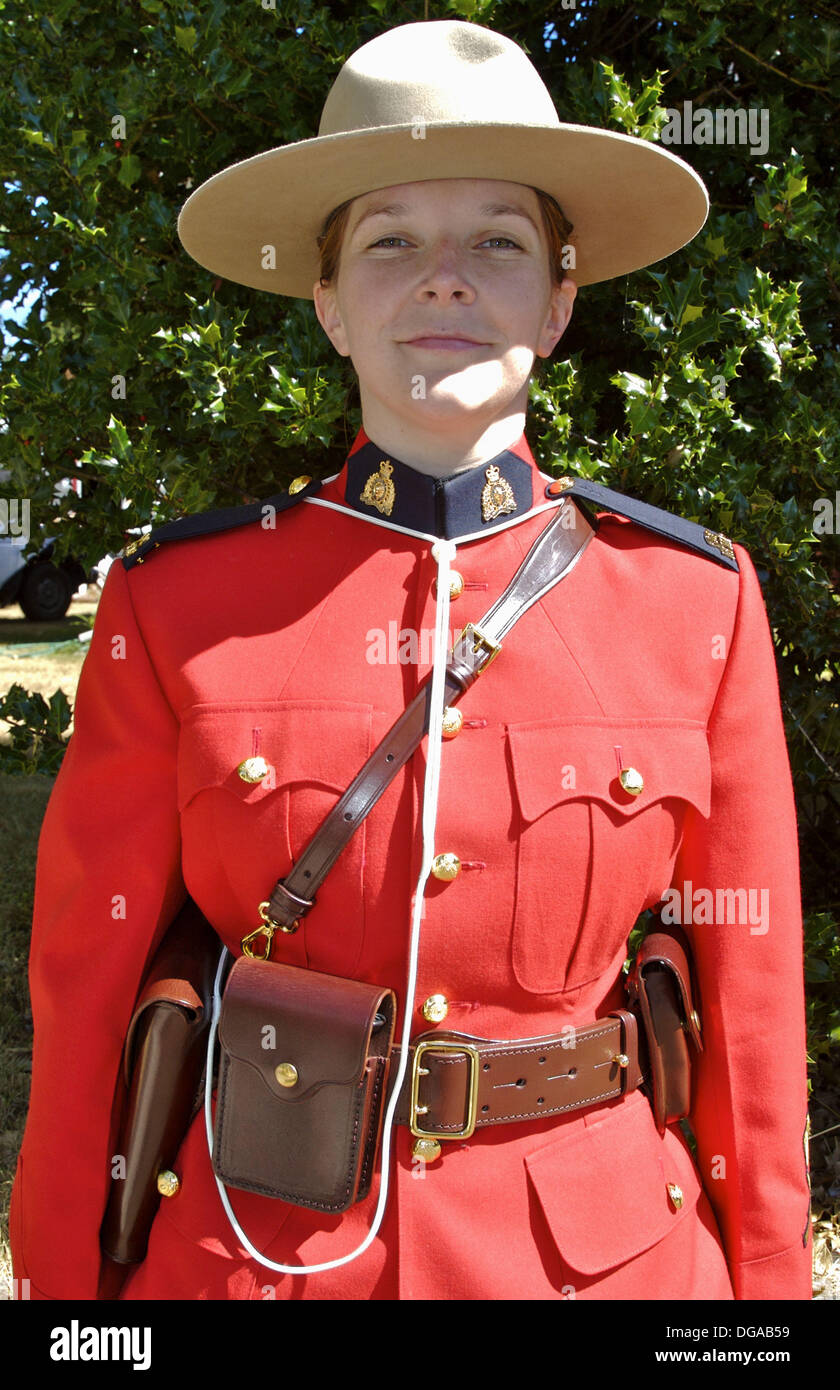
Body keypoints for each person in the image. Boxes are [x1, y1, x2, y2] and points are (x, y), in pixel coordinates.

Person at [10, 18, 811, 1301]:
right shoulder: (180, 603)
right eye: (390, 241)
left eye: (498, 240)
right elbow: (88, 994)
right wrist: (66, 1304)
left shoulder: (693, 602)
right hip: (259, 1256)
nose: (446, 277)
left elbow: (754, 1004)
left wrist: (767, 1299)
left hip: (605, 1268)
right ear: (328, 302)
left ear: (559, 300)